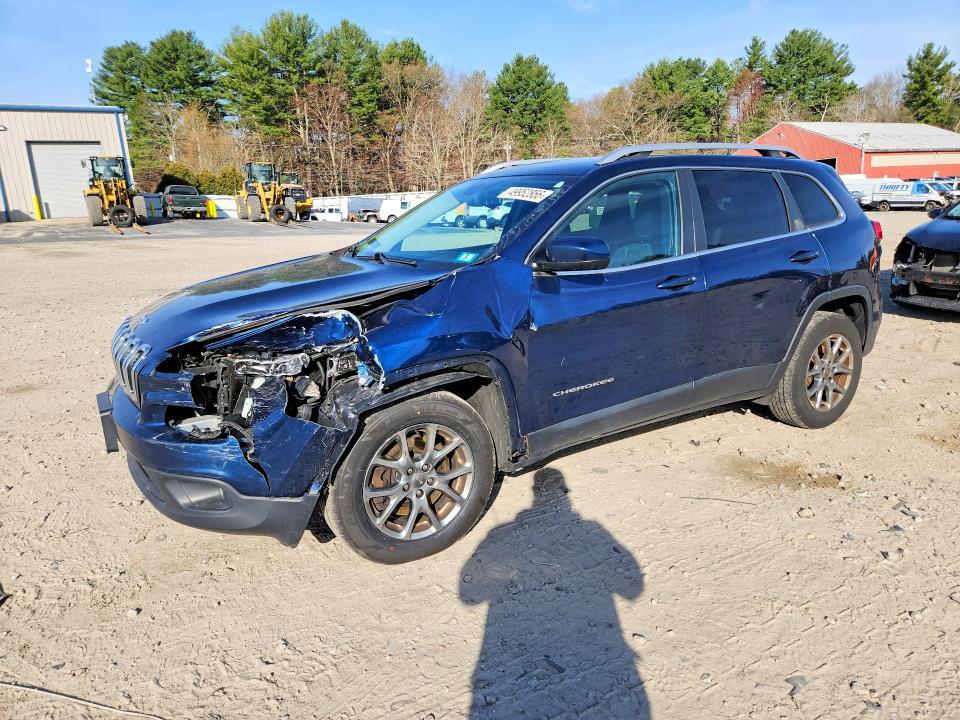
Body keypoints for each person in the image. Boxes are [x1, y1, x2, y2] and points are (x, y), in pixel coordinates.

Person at [460, 468, 651, 719]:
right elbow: (633, 587)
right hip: (593, 657)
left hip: (507, 660)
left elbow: (468, 594)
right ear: (565, 495)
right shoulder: (591, 530)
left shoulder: (499, 534)